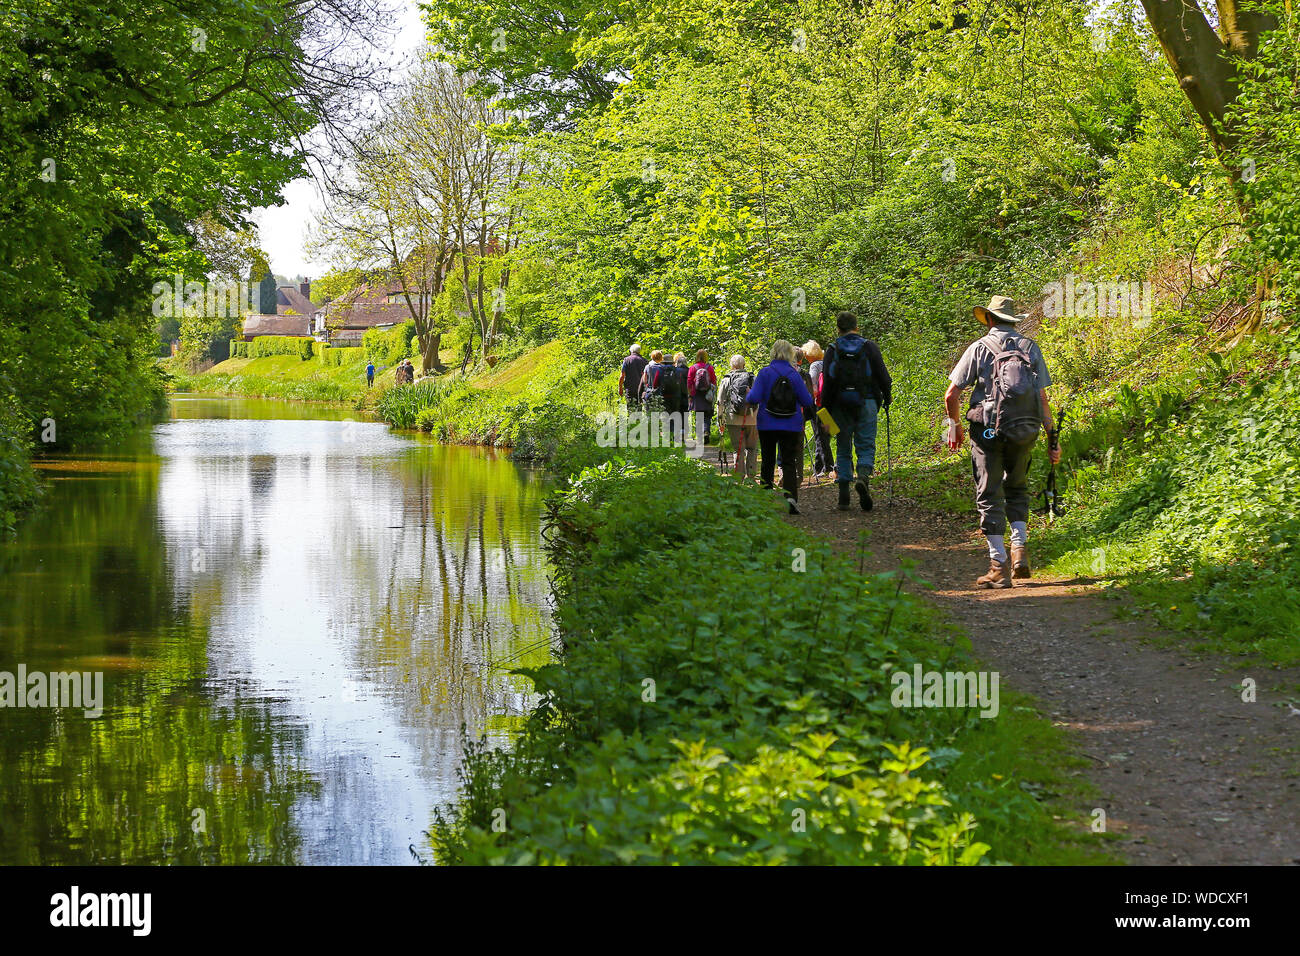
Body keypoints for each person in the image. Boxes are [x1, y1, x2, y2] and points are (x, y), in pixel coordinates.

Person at [944, 295, 1060, 589]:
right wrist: (1051, 439)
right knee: (1017, 486)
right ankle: (1019, 549)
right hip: (1026, 430)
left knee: (989, 492)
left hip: (987, 432)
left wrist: (955, 426)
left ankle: (999, 566)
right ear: (1012, 320)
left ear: (990, 319)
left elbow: (951, 395)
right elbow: (1043, 400)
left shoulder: (980, 348)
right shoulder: (1030, 348)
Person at [820, 311, 892, 512]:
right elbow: (884, 377)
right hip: (867, 402)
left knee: (843, 446)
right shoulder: (869, 346)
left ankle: (844, 495)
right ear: (857, 327)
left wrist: (823, 412)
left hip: (839, 405)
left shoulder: (833, 349)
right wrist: (886, 398)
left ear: (838, 329)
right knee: (866, 445)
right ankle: (863, 478)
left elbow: (826, 384)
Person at [746, 340, 814, 514]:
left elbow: (752, 398)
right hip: (791, 424)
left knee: (768, 461)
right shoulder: (794, 375)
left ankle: (765, 500)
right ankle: (791, 499)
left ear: (773, 352)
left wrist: (749, 394)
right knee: (789, 462)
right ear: (790, 354)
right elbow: (807, 401)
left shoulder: (765, 373)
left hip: (767, 424)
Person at [718, 355, 757, 480]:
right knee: (752, 448)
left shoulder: (727, 379)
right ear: (744, 365)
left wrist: (721, 421)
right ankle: (751, 477)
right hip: (751, 417)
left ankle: (739, 477)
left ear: (731, 366)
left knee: (738, 449)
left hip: (733, 418)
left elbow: (720, 401)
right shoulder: (752, 378)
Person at [803, 340, 832, 477]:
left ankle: (826, 466)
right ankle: (820, 466)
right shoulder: (826, 362)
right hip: (829, 403)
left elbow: (813, 388)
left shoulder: (814, 366)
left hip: (818, 405)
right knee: (827, 434)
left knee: (820, 436)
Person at [687, 349, 717, 446]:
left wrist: (690, 394)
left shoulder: (692, 368)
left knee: (699, 415)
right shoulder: (710, 368)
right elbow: (714, 381)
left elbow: (689, 382)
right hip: (707, 394)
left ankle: (700, 437)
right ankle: (706, 431)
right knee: (707, 415)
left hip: (696, 394)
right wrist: (713, 393)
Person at [668, 353, 691, 443]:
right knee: (685, 415)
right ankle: (684, 435)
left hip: (675, 396)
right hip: (686, 396)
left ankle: (675, 435)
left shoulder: (674, 371)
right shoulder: (689, 370)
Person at [618, 344, 648, 410]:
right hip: (641, 389)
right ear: (639, 351)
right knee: (639, 408)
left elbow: (622, 375)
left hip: (630, 388)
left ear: (631, 351)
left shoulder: (627, 360)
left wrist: (620, 387)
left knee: (631, 409)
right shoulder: (645, 361)